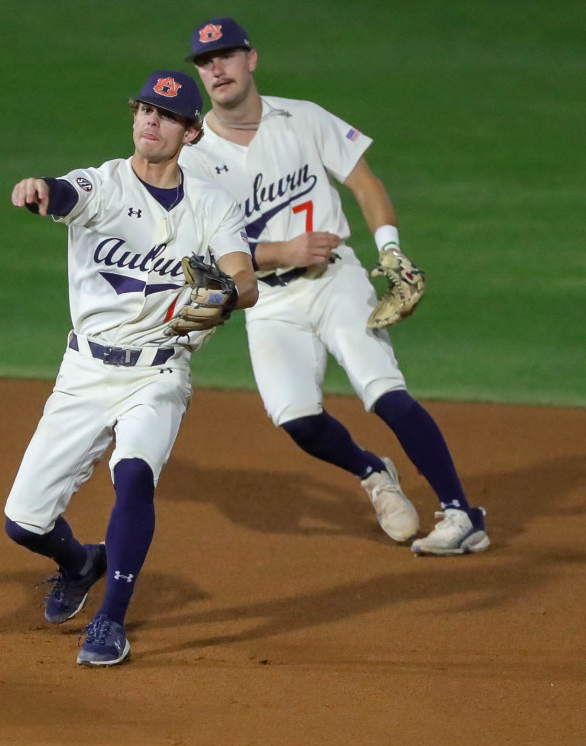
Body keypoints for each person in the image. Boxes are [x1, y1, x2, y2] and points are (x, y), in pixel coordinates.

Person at [177, 17, 488, 556]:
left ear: (250, 59)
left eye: (225, 55)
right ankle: (373, 474)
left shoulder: (303, 117)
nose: (215, 68)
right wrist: (281, 252)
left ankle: (463, 513)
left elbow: (365, 182)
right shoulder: (193, 157)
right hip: (268, 300)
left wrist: (389, 249)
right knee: (295, 418)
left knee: (382, 389)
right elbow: (201, 256)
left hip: (336, 279)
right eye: (205, 61)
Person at [5, 70, 258, 666]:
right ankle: (80, 562)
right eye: (145, 108)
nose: (151, 120)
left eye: (167, 115)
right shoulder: (104, 183)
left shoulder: (212, 204)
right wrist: (38, 188)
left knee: (135, 475)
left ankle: (110, 620)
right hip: (84, 373)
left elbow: (243, 278)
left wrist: (227, 295)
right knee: (23, 523)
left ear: (191, 132)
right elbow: (64, 193)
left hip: (158, 370)